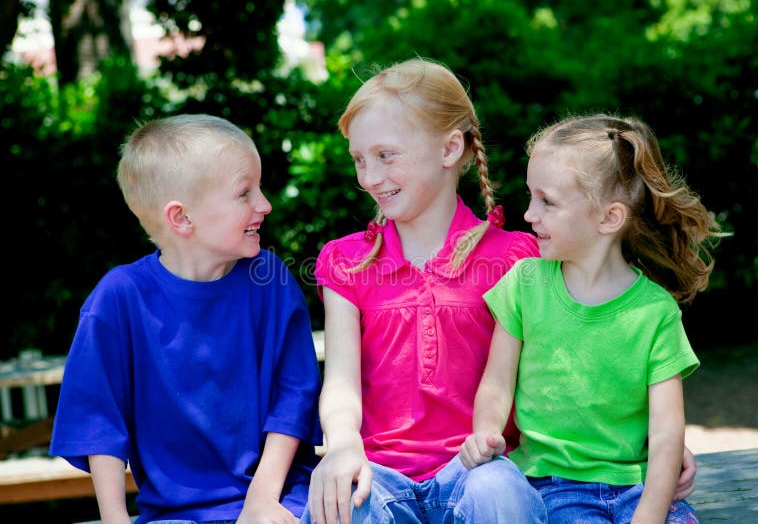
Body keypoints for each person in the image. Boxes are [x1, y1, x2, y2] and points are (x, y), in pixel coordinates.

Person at [303, 60, 696, 524]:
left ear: (450, 148)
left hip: (482, 469)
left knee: (498, 493)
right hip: (380, 472)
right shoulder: (347, 260)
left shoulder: (521, 259)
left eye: (385, 156)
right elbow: (342, 382)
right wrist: (343, 446)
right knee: (344, 507)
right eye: (359, 159)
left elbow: (580, 358)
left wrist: (659, 438)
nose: (368, 177)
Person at [49, 114, 322, 524]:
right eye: (244, 193)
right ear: (182, 218)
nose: (265, 205)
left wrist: (262, 501)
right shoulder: (119, 297)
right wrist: (115, 519)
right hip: (173, 515)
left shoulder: (271, 281)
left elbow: (294, 398)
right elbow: (98, 419)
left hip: (283, 499)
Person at [460, 113, 723, 523]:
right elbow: (496, 383)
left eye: (547, 201)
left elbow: (668, 432)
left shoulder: (654, 312)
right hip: (553, 487)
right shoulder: (524, 285)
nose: (529, 214)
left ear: (609, 218)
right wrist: (486, 430)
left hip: (639, 488)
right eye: (531, 197)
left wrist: (649, 516)